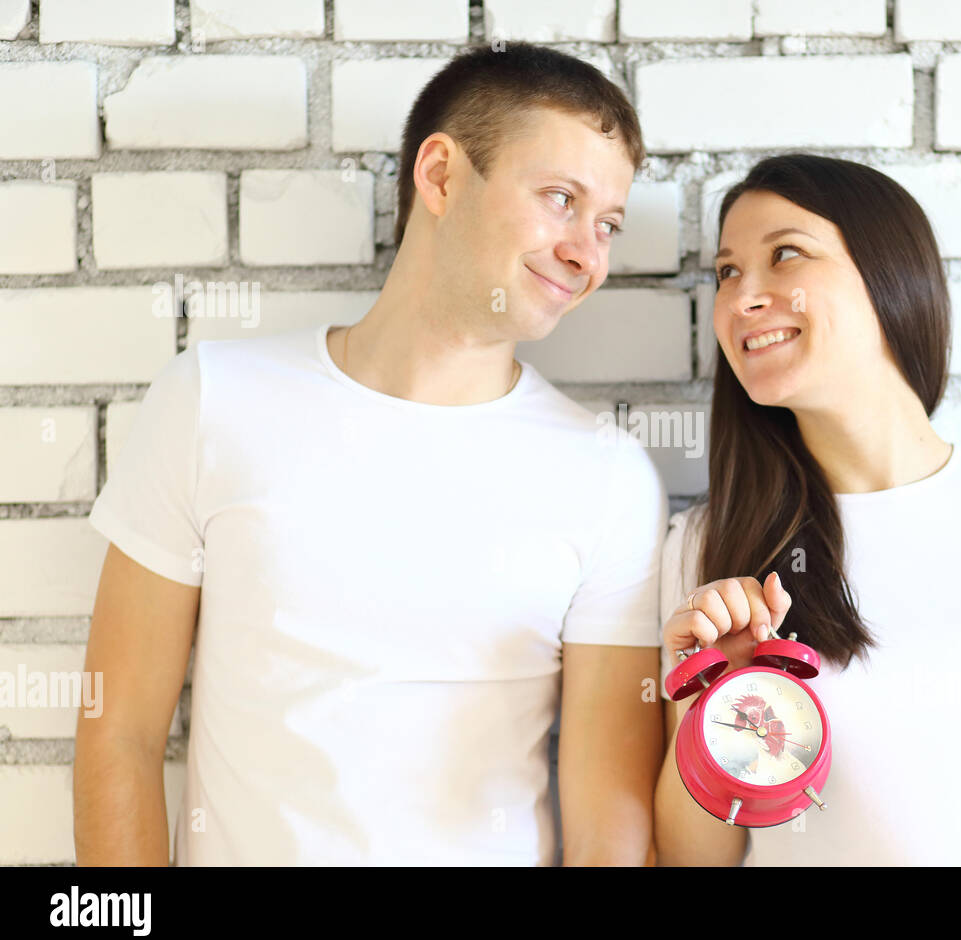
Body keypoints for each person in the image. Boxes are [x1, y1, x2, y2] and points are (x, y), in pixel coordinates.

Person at [74, 43, 666, 866]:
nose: (586, 254)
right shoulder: (216, 399)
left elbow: (609, 819)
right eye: (560, 200)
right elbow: (120, 738)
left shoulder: (608, 480)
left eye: (606, 224)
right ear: (441, 176)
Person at [654, 154, 961, 866]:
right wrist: (708, 697)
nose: (741, 298)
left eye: (786, 254)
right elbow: (695, 860)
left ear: (888, 275)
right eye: (727, 272)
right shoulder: (707, 549)